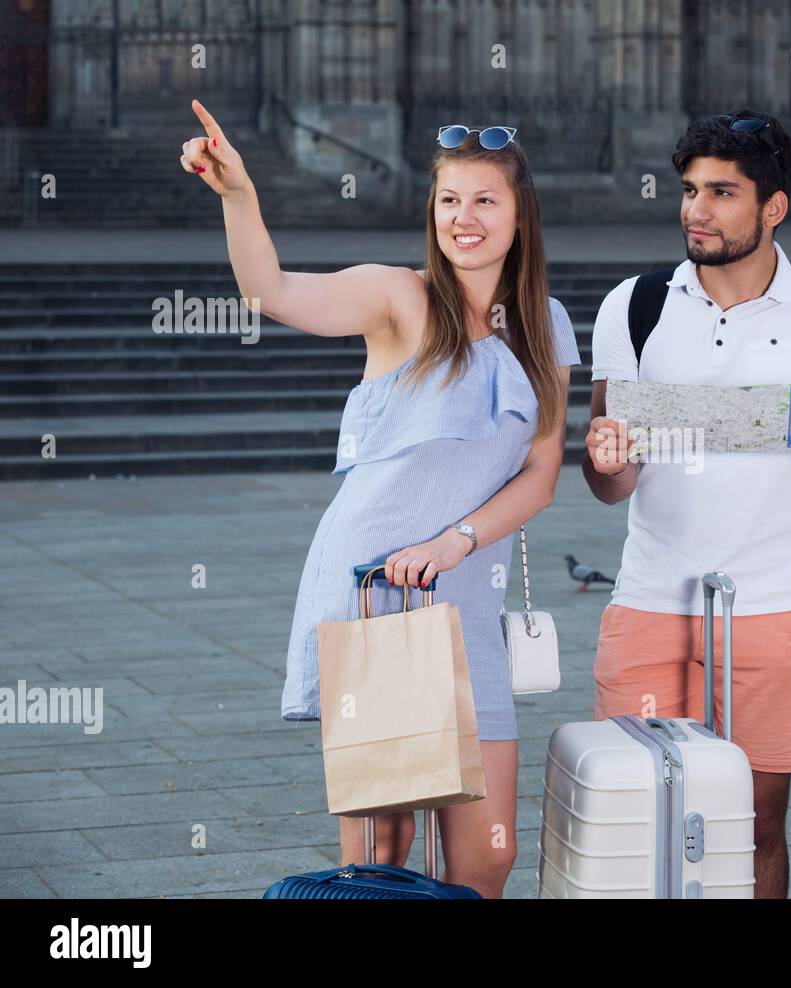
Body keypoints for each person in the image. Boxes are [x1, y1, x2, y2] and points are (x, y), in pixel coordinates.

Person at [178, 101, 579, 898]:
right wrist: (238, 195)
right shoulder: (399, 299)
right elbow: (270, 291)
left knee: (487, 856)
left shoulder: (546, 325)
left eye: (485, 200)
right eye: (449, 201)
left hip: (463, 592)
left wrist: (457, 541)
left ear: (519, 215)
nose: (464, 219)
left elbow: (540, 474)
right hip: (380, 593)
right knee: (382, 852)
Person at [583, 109, 791, 899]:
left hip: (776, 600)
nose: (696, 211)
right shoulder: (634, 304)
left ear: (772, 207)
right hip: (650, 596)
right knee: (639, 816)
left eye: (721, 192)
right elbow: (610, 485)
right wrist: (606, 461)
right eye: (689, 191)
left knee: (754, 824)